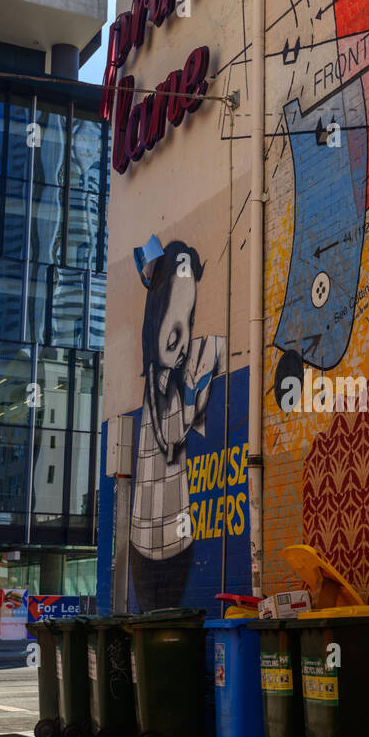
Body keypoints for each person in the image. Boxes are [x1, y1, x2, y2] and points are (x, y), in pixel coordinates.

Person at [128, 241, 223, 612]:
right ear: (155, 314)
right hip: (141, 541)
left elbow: (191, 428)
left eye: (189, 319)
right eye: (173, 318)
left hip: (178, 545)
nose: (181, 337)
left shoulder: (192, 374)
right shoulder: (152, 385)